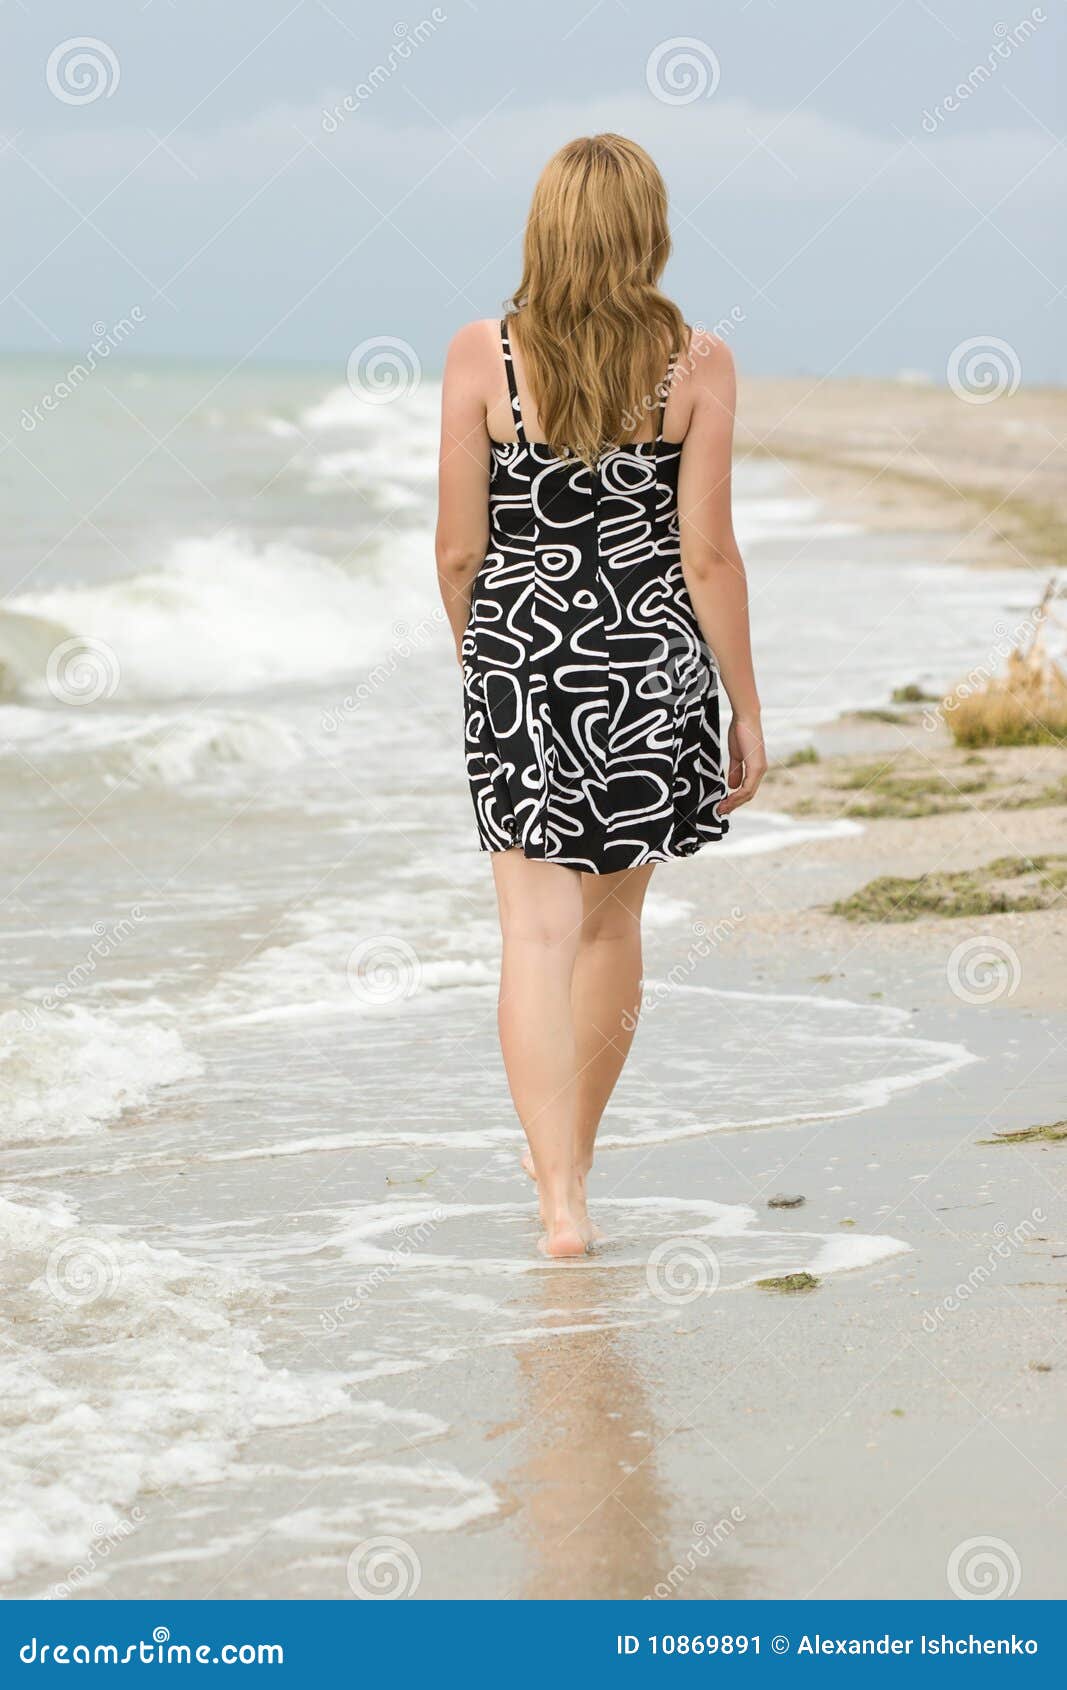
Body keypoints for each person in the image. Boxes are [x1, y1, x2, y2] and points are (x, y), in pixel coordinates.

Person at [435, 134, 765, 1257]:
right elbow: (707, 553)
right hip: (647, 669)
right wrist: (744, 708)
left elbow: (454, 554)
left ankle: (556, 1202)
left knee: (532, 932)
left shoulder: (484, 355)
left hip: (521, 666)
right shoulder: (698, 363)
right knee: (612, 922)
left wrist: (487, 669)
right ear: (646, 231)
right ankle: (577, 1168)